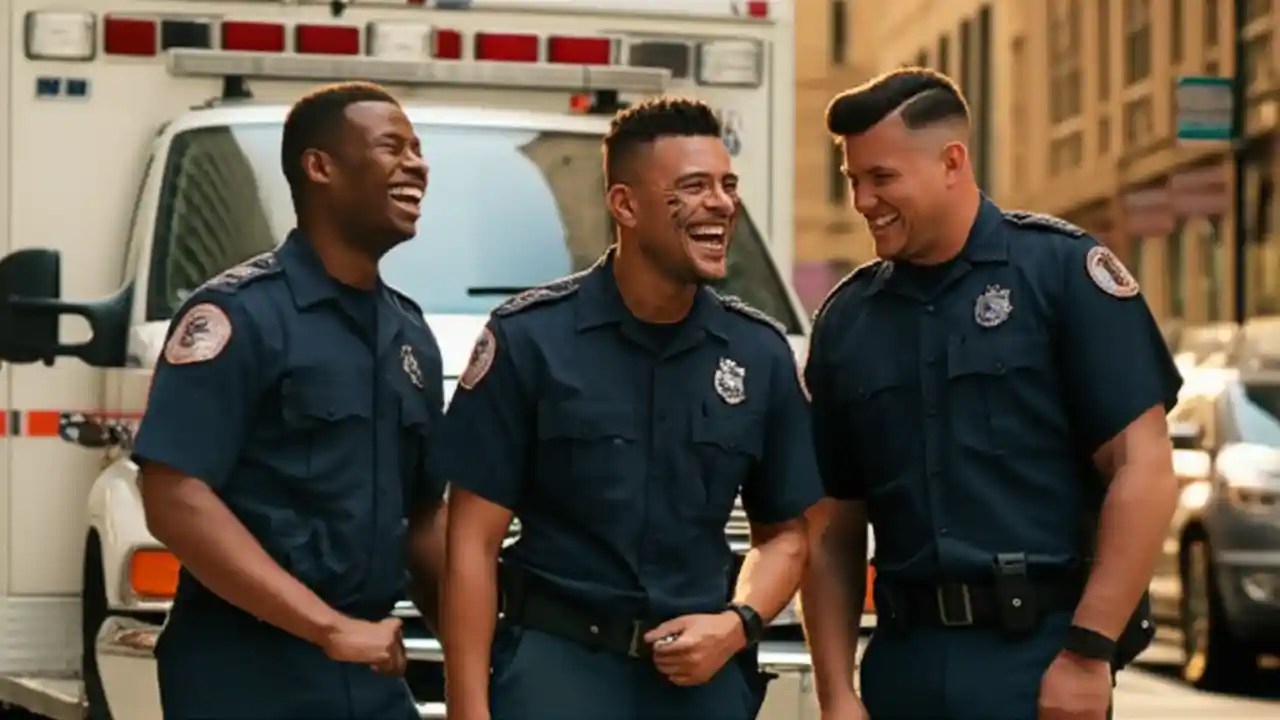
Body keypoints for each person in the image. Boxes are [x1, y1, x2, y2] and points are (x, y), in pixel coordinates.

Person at [799, 68, 1183, 720]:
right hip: (902, 663)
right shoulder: (847, 320)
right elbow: (834, 527)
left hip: (1036, 663)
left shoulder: (1061, 275)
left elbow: (1143, 467)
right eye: (853, 181)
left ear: (952, 162)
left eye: (882, 178)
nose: (863, 200)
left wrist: (1089, 653)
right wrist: (836, 690)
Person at [436, 97, 823, 720]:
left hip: (702, 683)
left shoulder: (760, 354)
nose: (722, 203)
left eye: (728, 185)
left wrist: (736, 623)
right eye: (694, 186)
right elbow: (471, 545)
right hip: (557, 675)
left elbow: (784, 536)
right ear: (625, 204)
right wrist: (468, 710)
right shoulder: (530, 341)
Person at [132, 82, 448, 719]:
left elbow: (424, 520)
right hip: (247, 671)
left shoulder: (410, 335)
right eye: (393, 146)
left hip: (370, 667)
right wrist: (327, 627)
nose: (417, 163)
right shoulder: (236, 316)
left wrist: (481, 656)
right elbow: (174, 496)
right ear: (319, 166)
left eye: (417, 149)